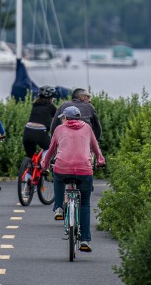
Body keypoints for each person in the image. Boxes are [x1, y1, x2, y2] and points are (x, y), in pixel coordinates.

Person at [40, 105, 105, 253]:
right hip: (84, 170)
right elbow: (96, 148)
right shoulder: (87, 128)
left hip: (62, 168)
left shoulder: (59, 129)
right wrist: (100, 161)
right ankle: (85, 240)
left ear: (64, 118)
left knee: (58, 178)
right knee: (85, 204)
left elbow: (51, 151)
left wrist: (44, 164)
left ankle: (58, 207)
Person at [22, 86, 58, 157]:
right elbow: (58, 120)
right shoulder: (51, 107)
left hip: (27, 132)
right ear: (51, 98)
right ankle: (44, 165)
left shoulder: (35, 105)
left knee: (30, 155)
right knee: (49, 148)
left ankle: (28, 165)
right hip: (40, 133)